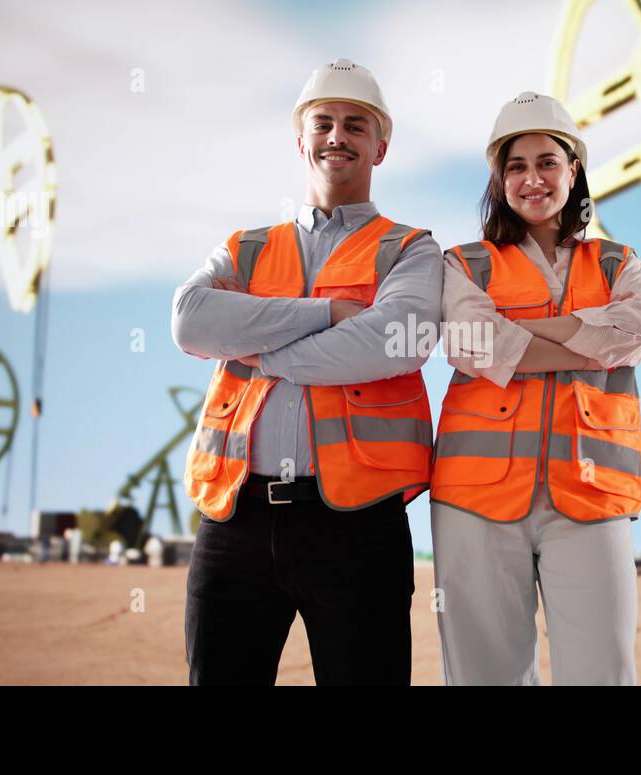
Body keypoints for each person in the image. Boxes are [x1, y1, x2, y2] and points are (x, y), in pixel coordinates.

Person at [171, 58, 442, 686]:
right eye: (323, 123)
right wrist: (327, 313)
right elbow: (190, 322)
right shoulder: (247, 246)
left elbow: (391, 344)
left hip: (356, 524)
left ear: (382, 144)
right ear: (302, 140)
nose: (337, 136)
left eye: (355, 124)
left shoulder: (411, 250)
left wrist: (254, 349)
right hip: (235, 518)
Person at [431, 92, 641, 685]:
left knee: (601, 672)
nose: (532, 178)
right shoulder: (464, 264)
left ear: (574, 169)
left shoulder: (617, 263)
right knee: (486, 676)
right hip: (474, 501)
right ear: (499, 179)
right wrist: (586, 338)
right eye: (516, 166)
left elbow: (631, 338)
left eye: (547, 162)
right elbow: (471, 345)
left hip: (592, 493)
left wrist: (517, 336)